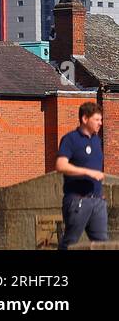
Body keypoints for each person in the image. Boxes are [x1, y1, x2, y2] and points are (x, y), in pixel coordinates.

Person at [56, 101, 108, 249]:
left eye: (101, 120)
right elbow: (61, 165)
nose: (100, 123)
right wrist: (87, 172)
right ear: (85, 119)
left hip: (97, 202)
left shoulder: (97, 141)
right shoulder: (71, 139)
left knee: (102, 244)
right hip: (77, 201)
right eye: (97, 120)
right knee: (70, 243)